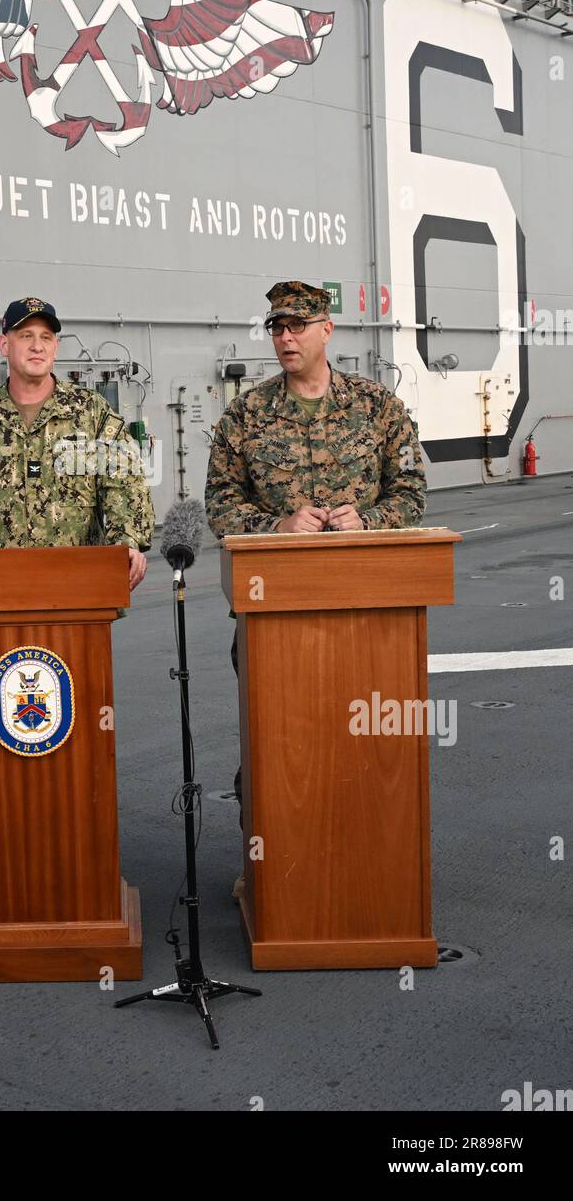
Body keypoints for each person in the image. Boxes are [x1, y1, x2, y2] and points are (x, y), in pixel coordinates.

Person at [204, 280, 428, 897]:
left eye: (297, 326)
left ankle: (368, 872)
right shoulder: (244, 417)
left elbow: (410, 491)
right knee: (276, 746)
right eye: (276, 327)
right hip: (271, 616)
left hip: (368, 615)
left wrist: (371, 519)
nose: (285, 337)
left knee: (365, 747)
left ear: (327, 329)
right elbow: (220, 504)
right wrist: (275, 524)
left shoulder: (378, 408)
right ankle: (274, 876)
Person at [0, 296, 154, 588]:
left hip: (81, 584)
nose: (37, 346)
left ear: (55, 346)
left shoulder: (92, 412)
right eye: (25, 335)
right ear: (5, 345)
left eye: (46, 337)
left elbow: (124, 481)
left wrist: (127, 542)